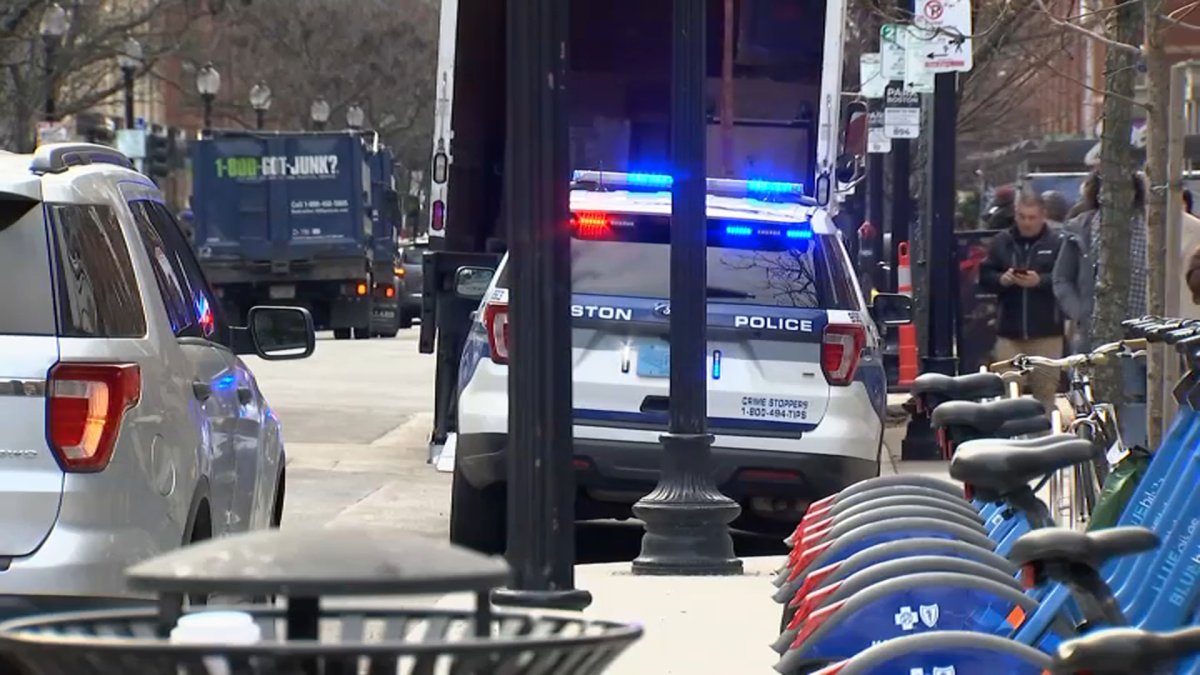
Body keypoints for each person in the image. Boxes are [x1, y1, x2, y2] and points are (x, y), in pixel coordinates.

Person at [1052, 171, 1149, 447]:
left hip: (1142, 338)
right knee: (1096, 410)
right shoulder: (1082, 229)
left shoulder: (1150, 227)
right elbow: (1061, 279)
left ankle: (1136, 461)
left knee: (1137, 407)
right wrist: (1081, 313)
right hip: (1096, 337)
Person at [979, 190, 1067, 413]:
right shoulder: (1001, 242)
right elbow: (984, 277)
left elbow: (1066, 279)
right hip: (1010, 333)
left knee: (1045, 394)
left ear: (1042, 216)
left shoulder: (1057, 242)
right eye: (1022, 217)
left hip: (1047, 333)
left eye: (1032, 217)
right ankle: (1012, 432)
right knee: (1009, 392)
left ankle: (1045, 431)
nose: (1027, 223)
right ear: (1015, 215)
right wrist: (1002, 280)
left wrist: (1040, 281)